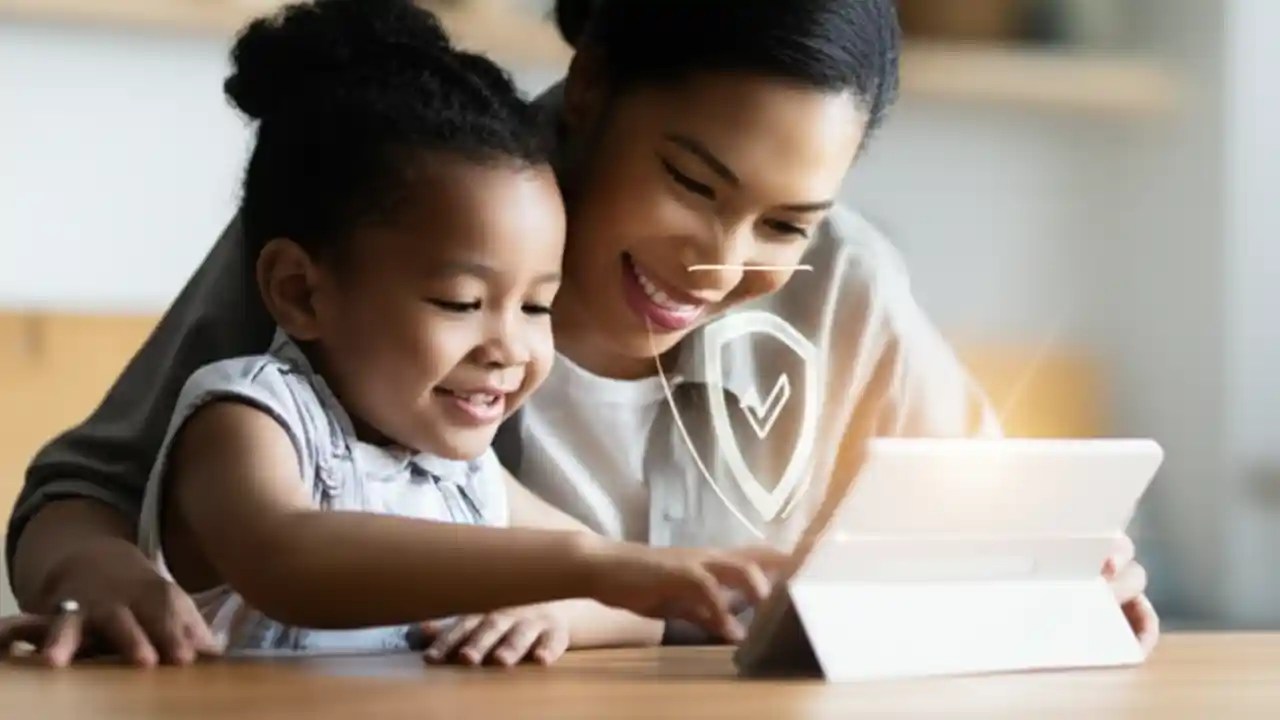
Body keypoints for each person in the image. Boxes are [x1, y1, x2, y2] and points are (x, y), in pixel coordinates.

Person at [2, 0, 1158, 666]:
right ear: (596, 86)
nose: (719, 259)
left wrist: (1052, 568)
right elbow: (120, 500)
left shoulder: (847, 278)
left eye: (788, 222)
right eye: (691, 182)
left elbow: (949, 530)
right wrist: (94, 569)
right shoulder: (401, 207)